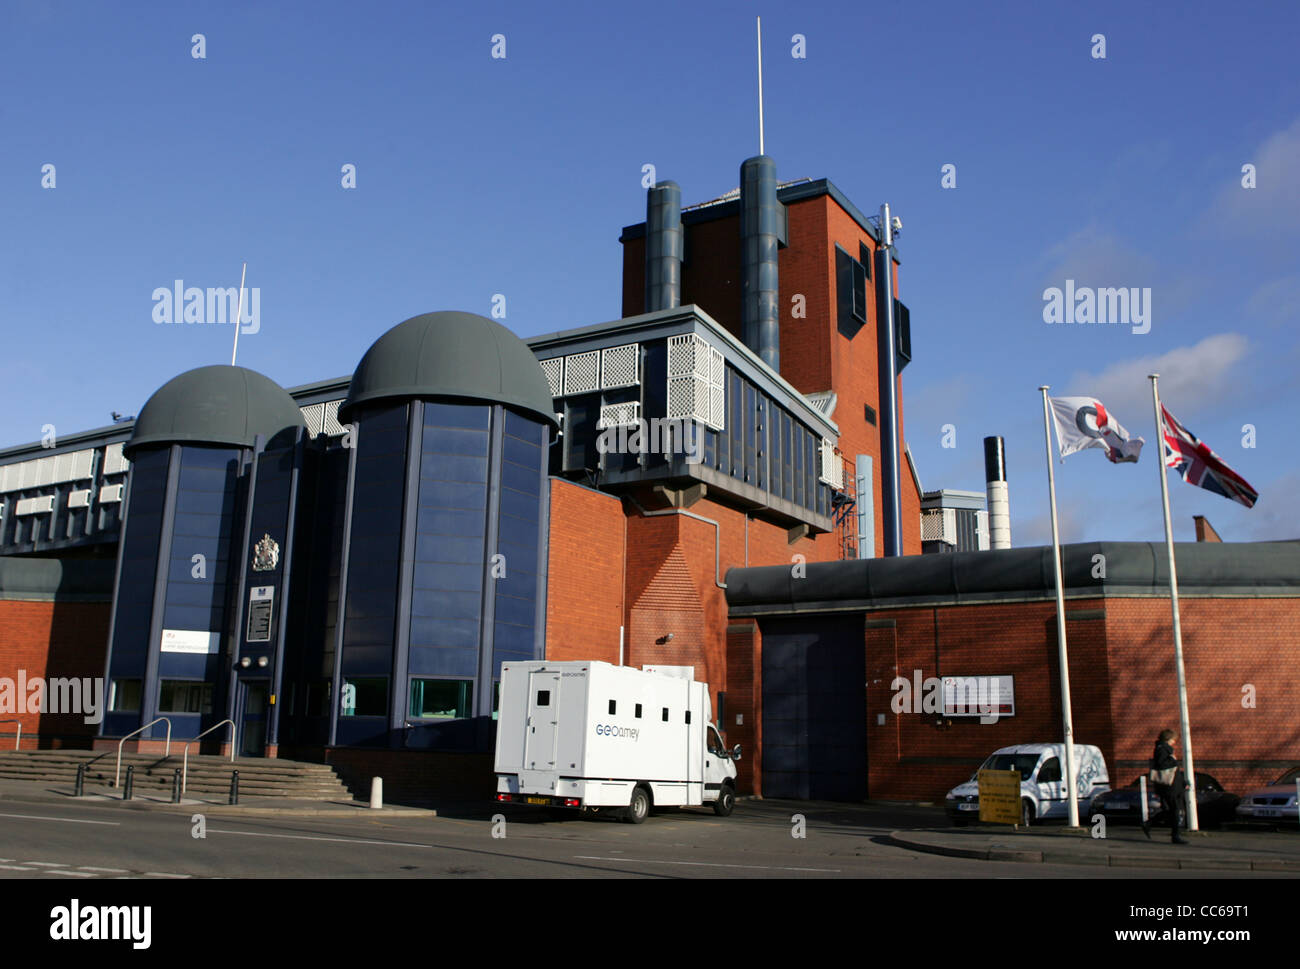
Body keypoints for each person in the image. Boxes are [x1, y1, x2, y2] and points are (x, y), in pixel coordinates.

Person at [1144, 729, 1188, 844]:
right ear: (1168, 739)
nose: (1174, 742)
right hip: (1169, 785)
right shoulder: (1162, 749)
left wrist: (1183, 782)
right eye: (1173, 740)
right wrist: (1173, 761)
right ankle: (1175, 836)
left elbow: (1175, 771)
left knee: (1172, 810)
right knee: (1174, 810)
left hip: (1174, 784)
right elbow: (1162, 764)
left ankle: (1150, 824)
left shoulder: (1165, 749)